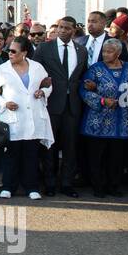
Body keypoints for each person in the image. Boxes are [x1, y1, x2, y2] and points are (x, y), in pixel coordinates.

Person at [0, 35, 53, 200]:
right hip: (12, 118)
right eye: (9, 50)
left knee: (31, 154)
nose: (9, 53)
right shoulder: (2, 69)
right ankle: (9, 186)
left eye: (13, 51)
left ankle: (32, 187)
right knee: (11, 155)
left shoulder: (37, 67)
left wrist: (43, 92)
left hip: (33, 117)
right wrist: (4, 103)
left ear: (24, 52)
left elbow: (48, 85)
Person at [33, 16, 88, 197]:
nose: (63, 31)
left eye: (67, 28)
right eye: (60, 28)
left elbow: (81, 76)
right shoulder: (44, 48)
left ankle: (66, 183)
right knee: (49, 146)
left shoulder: (81, 51)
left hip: (72, 106)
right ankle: (49, 183)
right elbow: (35, 73)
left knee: (70, 147)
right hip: (50, 104)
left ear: (74, 30)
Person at [79, 38, 128, 197]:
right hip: (98, 119)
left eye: (109, 51)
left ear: (118, 53)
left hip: (121, 119)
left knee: (116, 156)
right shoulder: (96, 69)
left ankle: (114, 185)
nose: (105, 54)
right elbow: (84, 90)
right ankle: (98, 186)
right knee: (97, 156)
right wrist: (102, 100)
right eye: (104, 51)